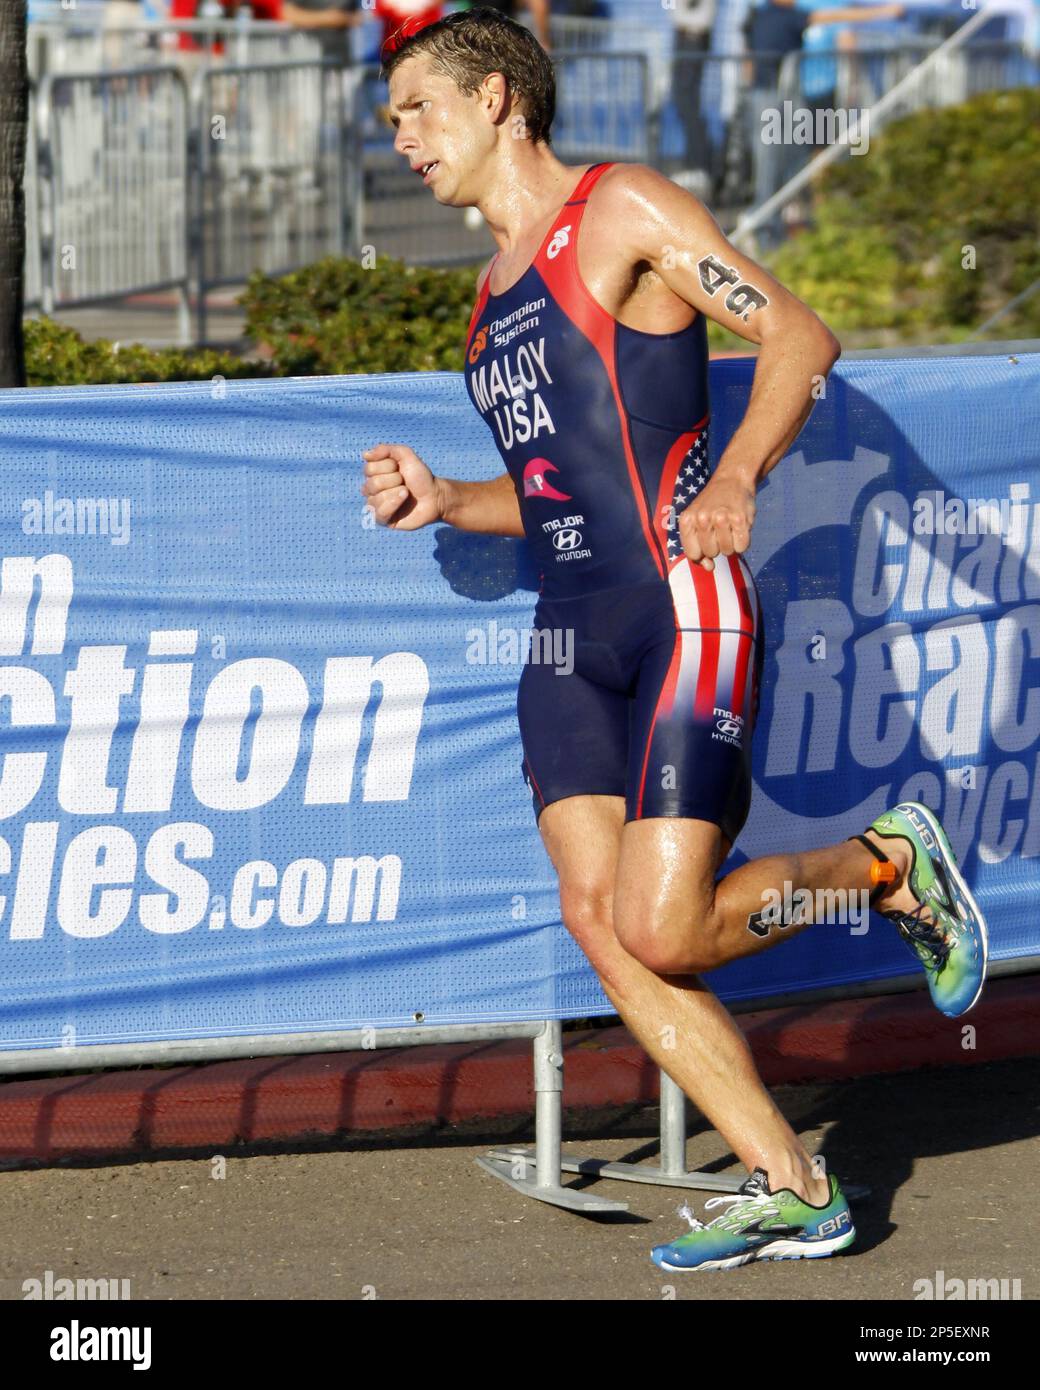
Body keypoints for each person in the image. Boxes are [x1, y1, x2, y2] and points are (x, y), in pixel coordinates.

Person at [361, 7, 987, 1272]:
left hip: (679, 600)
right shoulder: (485, 303)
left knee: (662, 927)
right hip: (567, 639)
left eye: (417, 111)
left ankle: (880, 868)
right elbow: (546, 498)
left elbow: (800, 336)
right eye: (391, 125)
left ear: (497, 100)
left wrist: (740, 471)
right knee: (599, 924)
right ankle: (794, 1184)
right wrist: (448, 498)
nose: (403, 142)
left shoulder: (620, 207)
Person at [741, 0, 904, 247]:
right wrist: (883, 12)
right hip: (777, 101)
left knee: (790, 165)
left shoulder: (762, 14)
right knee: (773, 167)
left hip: (774, 100)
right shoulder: (785, 15)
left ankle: (773, 227)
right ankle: (763, 230)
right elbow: (831, 17)